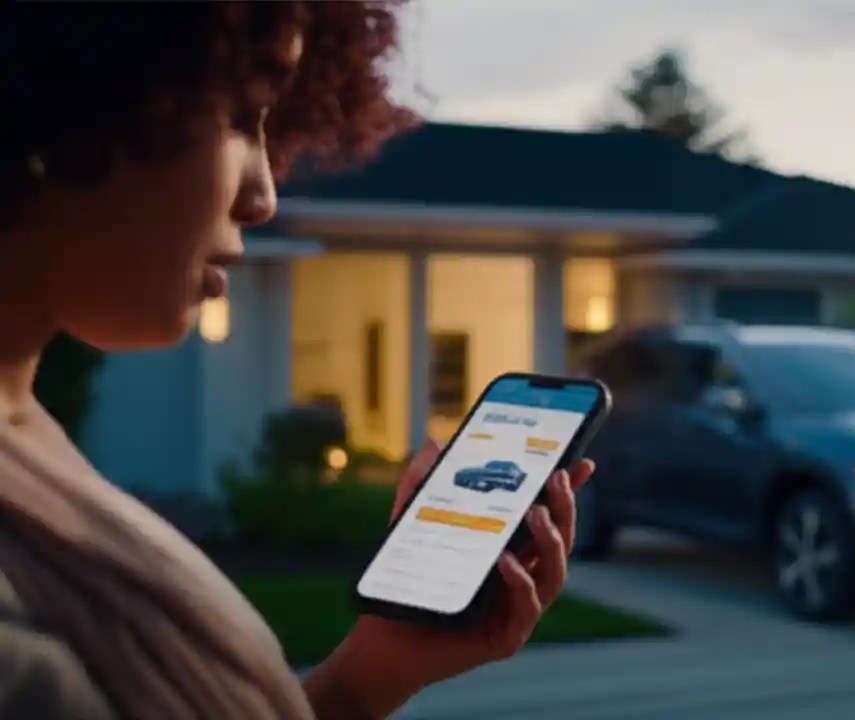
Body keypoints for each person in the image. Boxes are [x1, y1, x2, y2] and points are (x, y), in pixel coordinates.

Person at [0, 3, 594, 718]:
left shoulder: (25, 437)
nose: (264, 195)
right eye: (242, 115)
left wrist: (367, 674)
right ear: (75, 90)